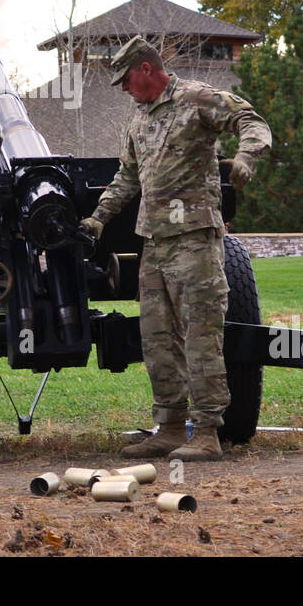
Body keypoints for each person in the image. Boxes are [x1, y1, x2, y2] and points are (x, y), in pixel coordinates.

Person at [80, 37, 271, 461]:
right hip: (154, 243)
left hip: (194, 241)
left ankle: (206, 432)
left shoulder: (196, 98)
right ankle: (168, 426)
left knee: (201, 337)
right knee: (158, 339)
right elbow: (127, 178)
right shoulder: (139, 120)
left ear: (146, 69)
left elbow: (250, 119)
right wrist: (99, 217)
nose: (124, 89)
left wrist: (246, 158)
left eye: (127, 79)